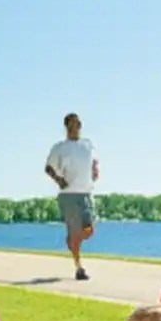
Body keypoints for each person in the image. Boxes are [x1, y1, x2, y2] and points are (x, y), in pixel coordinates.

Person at [45, 112, 99, 281]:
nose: (75, 127)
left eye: (78, 124)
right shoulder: (60, 148)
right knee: (76, 233)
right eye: (72, 124)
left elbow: (94, 161)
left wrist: (95, 170)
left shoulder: (88, 144)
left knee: (89, 230)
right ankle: (79, 268)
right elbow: (48, 168)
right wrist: (59, 180)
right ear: (67, 126)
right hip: (68, 194)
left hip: (86, 192)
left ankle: (73, 239)